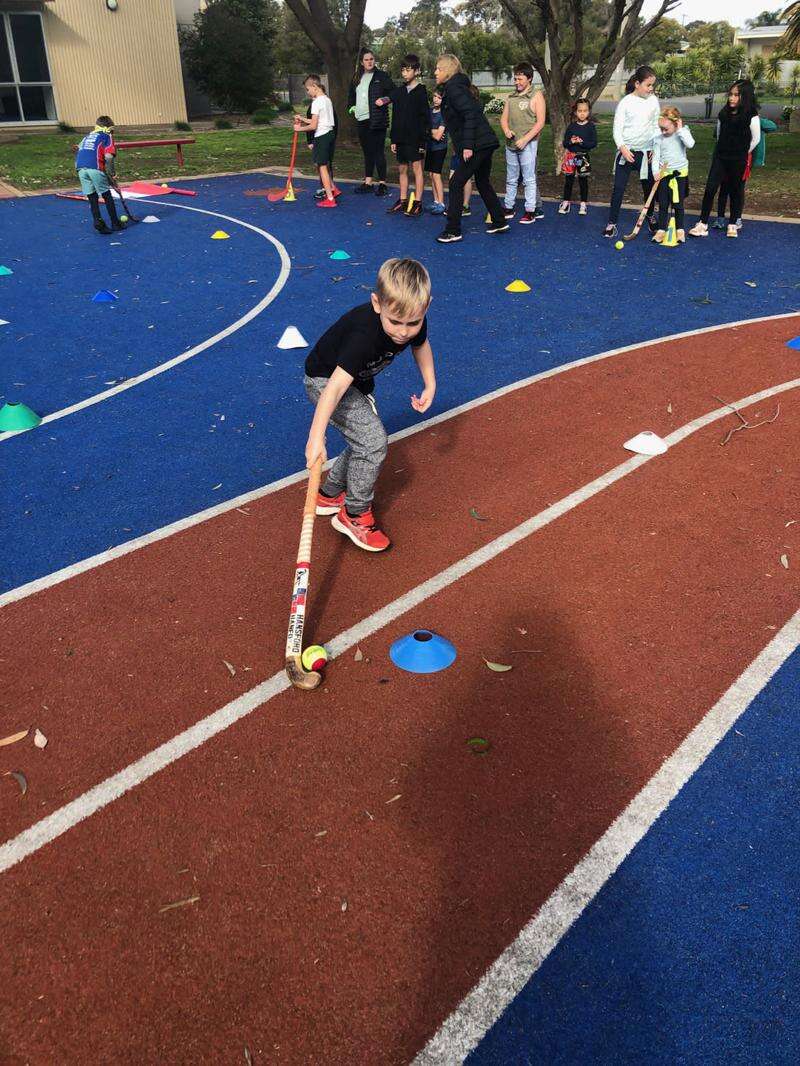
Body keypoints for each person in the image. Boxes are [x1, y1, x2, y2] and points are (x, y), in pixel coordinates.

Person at [304, 258, 435, 553]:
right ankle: (353, 514)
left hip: (357, 385)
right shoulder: (363, 337)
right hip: (325, 382)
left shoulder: (413, 318)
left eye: (412, 323)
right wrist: (316, 437)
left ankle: (329, 493)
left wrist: (430, 384)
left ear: (425, 307)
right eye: (395, 322)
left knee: (365, 440)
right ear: (377, 303)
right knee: (373, 440)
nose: (403, 332)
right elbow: (335, 386)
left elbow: (421, 345)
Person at [433, 54, 507, 244]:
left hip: (478, 144)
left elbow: (470, 116)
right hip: (484, 142)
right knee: (482, 181)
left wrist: (467, 146)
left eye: (438, 69)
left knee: (457, 182)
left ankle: (453, 230)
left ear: (448, 71)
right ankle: (499, 220)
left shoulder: (455, 89)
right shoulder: (456, 88)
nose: (435, 72)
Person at [690, 80, 760, 239]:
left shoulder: (752, 115)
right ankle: (702, 223)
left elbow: (755, 139)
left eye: (736, 95)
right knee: (710, 189)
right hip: (721, 157)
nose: (732, 98)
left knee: (735, 190)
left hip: (739, 159)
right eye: (731, 94)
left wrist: (742, 152)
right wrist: (722, 151)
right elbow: (720, 134)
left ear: (745, 97)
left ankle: (733, 223)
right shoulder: (723, 113)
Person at [604, 66, 660, 239]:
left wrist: (654, 147)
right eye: (648, 85)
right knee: (619, 188)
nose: (651, 89)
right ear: (637, 83)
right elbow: (617, 130)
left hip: (646, 153)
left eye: (652, 85)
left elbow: (655, 126)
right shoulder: (626, 102)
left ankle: (650, 216)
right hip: (626, 153)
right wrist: (622, 148)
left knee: (648, 188)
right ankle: (612, 223)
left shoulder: (653, 101)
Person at [383, 54, 430, 217]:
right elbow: (395, 116)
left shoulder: (421, 92)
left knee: (417, 169)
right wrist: (394, 139)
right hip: (401, 138)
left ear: (416, 71)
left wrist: (423, 141)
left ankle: (417, 203)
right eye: (403, 70)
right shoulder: (400, 91)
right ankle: (402, 201)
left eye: (408, 70)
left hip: (415, 139)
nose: (404, 73)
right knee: (402, 169)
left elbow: (425, 118)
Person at [500, 62, 545, 225]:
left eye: (520, 79)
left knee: (529, 179)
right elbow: (504, 119)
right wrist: (506, 130)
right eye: (515, 79)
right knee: (511, 178)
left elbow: (540, 122)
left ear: (529, 79)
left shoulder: (536, 95)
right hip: (510, 145)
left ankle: (530, 211)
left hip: (528, 145)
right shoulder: (511, 97)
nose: (517, 82)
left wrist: (525, 139)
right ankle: (509, 207)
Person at [713, 114, 776, 231]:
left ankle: (737, 218)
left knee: (738, 189)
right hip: (726, 157)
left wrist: (742, 152)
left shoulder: (753, 118)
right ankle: (720, 217)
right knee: (724, 187)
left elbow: (768, 130)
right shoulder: (726, 116)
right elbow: (717, 134)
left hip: (743, 159)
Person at [348, 48, 394, 197]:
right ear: (361, 62)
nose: (369, 62)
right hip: (361, 120)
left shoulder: (381, 76)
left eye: (371, 59)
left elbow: (393, 92)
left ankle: (382, 183)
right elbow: (351, 97)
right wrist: (353, 108)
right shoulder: (356, 77)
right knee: (367, 152)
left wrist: (385, 100)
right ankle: (368, 182)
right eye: (366, 60)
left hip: (377, 120)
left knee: (378, 151)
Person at [649, 106, 694, 244]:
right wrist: (655, 172)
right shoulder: (658, 138)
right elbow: (655, 157)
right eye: (661, 128)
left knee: (678, 204)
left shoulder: (682, 133)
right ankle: (661, 230)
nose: (663, 131)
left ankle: (680, 230)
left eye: (666, 129)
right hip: (664, 175)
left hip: (679, 175)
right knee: (663, 204)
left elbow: (690, 144)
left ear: (676, 124)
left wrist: (680, 130)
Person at [74, 115, 124, 235]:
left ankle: (98, 222)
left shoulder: (87, 136)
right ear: (109, 129)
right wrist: (112, 175)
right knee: (107, 195)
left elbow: (79, 150)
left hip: (80, 168)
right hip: (94, 167)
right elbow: (108, 157)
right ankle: (115, 223)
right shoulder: (107, 136)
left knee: (92, 197)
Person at [293, 75, 337, 209]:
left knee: (322, 166)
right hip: (330, 134)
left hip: (321, 136)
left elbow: (313, 126)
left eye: (307, 89)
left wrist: (299, 129)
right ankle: (333, 190)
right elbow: (318, 121)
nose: (307, 92)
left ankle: (330, 198)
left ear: (314, 86)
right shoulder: (327, 100)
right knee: (325, 165)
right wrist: (302, 118)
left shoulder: (317, 102)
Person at [558, 98, 597, 216]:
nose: (582, 113)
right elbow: (565, 143)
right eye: (580, 111)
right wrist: (571, 141)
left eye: (585, 110)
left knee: (583, 181)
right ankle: (566, 202)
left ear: (589, 111)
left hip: (583, 157)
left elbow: (593, 143)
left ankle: (583, 204)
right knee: (568, 180)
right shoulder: (571, 127)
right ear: (576, 112)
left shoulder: (591, 127)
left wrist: (581, 142)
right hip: (570, 157)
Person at [425, 88, 448, 214]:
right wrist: (431, 131)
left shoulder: (444, 114)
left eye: (439, 97)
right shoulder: (429, 111)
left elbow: (439, 136)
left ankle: (442, 203)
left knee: (436, 174)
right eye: (434, 96)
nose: (435, 99)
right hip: (430, 147)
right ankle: (435, 201)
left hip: (440, 148)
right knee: (430, 174)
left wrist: (429, 131)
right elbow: (423, 127)